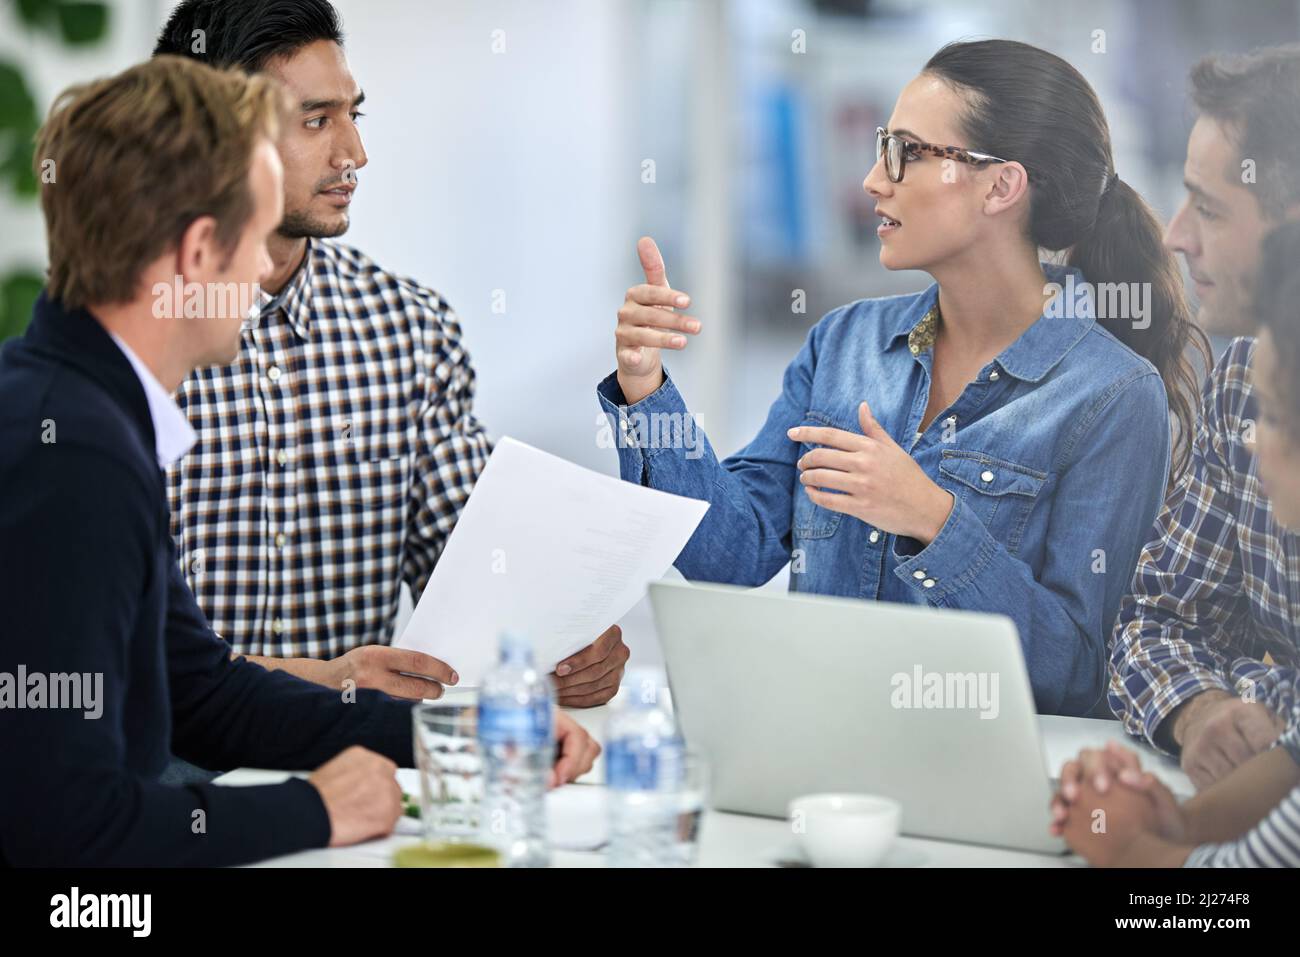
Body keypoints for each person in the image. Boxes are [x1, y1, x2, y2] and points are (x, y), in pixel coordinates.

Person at [0, 55, 598, 866]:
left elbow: (201, 692)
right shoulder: (74, 455)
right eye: (254, 231)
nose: (263, 268)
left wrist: (456, 732)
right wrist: (312, 810)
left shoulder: (77, 406)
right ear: (200, 250)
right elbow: (65, 829)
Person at [598, 39, 1203, 716]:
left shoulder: (1115, 397)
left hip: (980, 791)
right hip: (822, 767)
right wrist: (646, 389)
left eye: (907, 153)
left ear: (1001, 185)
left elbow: (1080, 672)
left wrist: (933, 519)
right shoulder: (843, 342)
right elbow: (733, 553)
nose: (872, 180)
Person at [152, 0, 629, 707]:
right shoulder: (133, 339)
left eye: (354, 115)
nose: (355, 154)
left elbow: (475, 570)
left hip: (363, 769)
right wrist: (323, 682)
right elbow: (119, 646)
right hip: (178, 770)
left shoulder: (410, 329)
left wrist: (565, 636)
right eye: (317, 121)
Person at [1053, 221, 1300, 867]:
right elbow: (1292, 763)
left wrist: (1131, 849)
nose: (1252, 440)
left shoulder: (1119, 398)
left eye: (1273, 416)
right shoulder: (1246, 366)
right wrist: (1177, 820)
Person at [1109, 45, 1300, 788]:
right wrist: (1204, 710)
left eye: (1210, 208)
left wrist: (1266, 699)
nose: (1175, 236)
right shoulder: (1241, 385)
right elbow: (1154, 619)